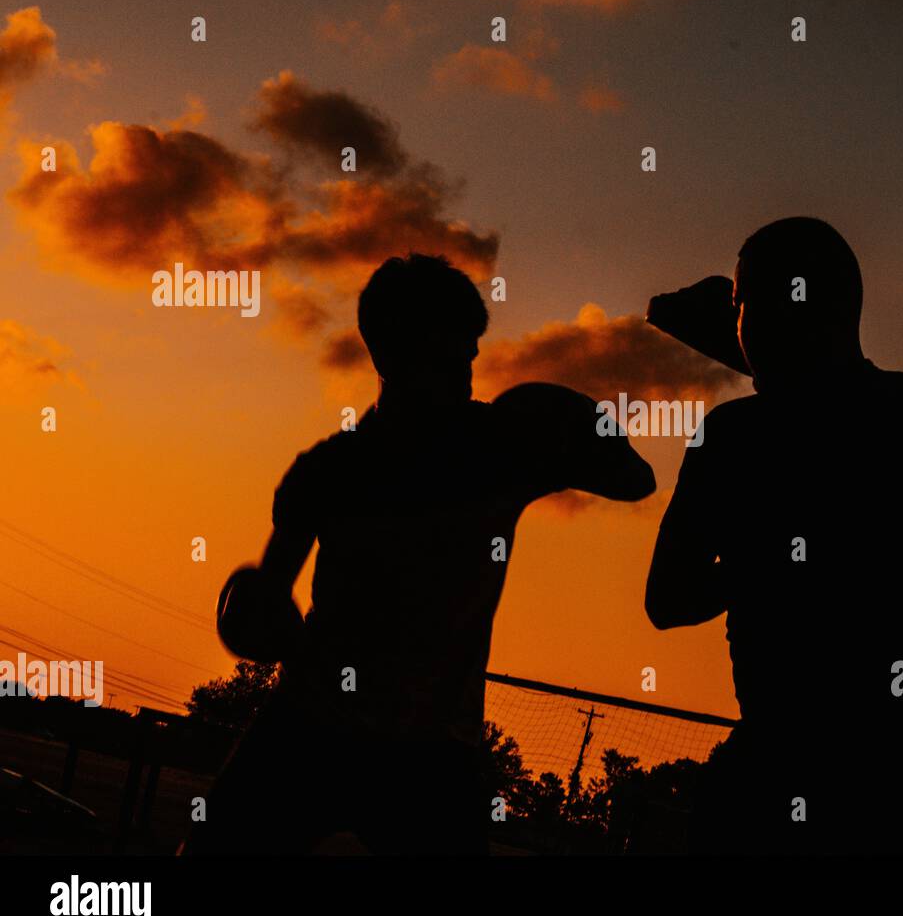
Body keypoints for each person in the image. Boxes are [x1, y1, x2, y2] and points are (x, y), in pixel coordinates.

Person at [183, 253, 655, 854]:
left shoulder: (497, 444)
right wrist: (263, 625)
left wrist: (568, 418)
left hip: (430, 746)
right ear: (392, 351)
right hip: (319, 723)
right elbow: (268, 600)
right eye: (455, 344)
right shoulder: (333, 468)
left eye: (472, 343)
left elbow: (636, 481)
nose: (471, 359)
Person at [645, 217, 903, 854]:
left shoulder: (751, 435)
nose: (738, 318)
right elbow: (666, 599)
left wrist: (758, 549)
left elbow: (676, 594)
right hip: (885, 761)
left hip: (882, 766)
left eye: (743, 302)